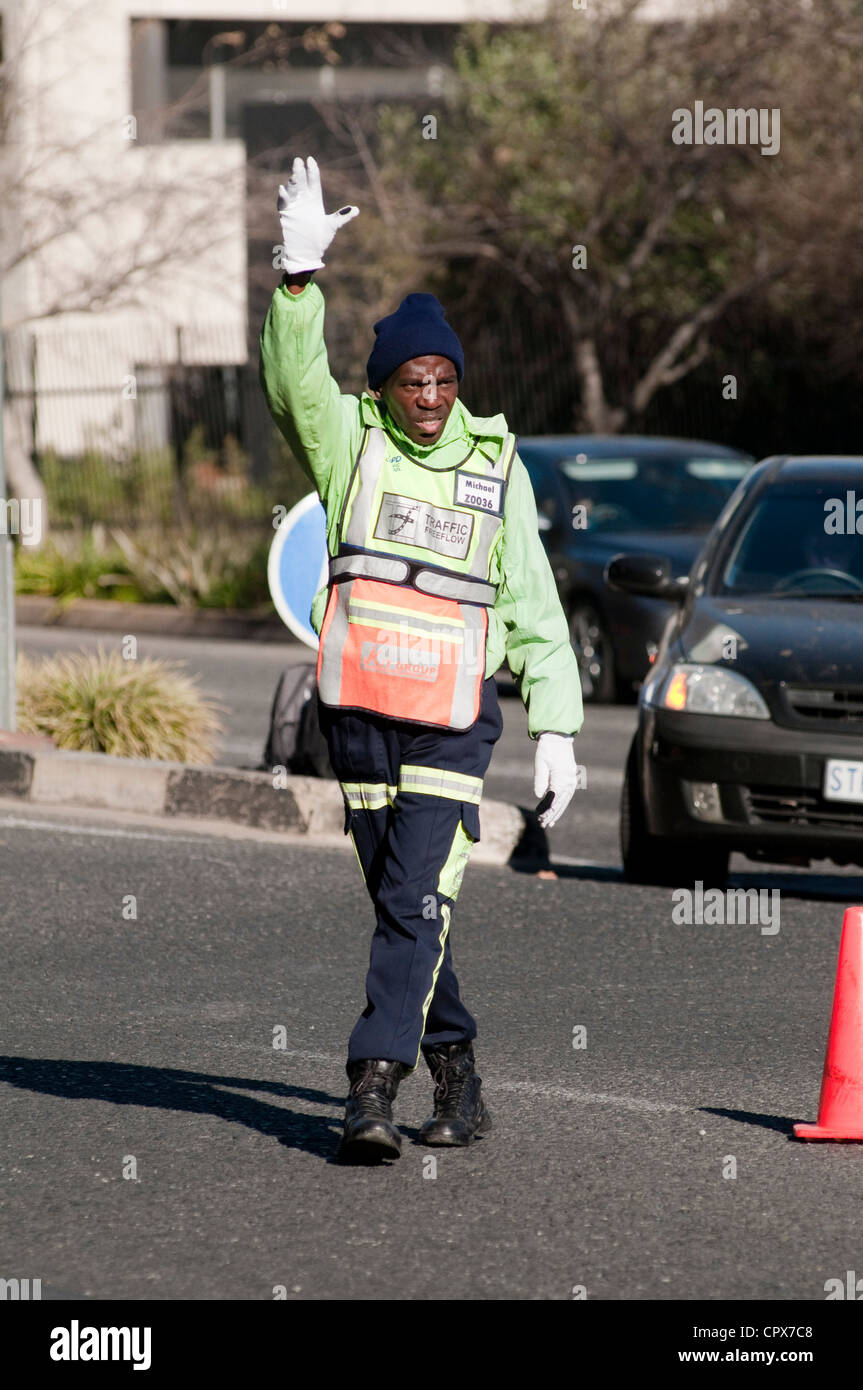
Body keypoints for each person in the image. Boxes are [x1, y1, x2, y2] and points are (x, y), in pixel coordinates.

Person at [259, 156, 583, 1163]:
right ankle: (459, 1066)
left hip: (452, 717)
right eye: (413, 379)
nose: (431, 395)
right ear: (387, 385)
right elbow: (290, 385)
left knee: (413, 896)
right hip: (358, 709)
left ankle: (370, 1086)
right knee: (400, 899)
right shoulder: (349, 444)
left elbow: (527, 591)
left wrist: (557, 720)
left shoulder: (494, 462)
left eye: (443, 377)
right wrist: (296, 285)